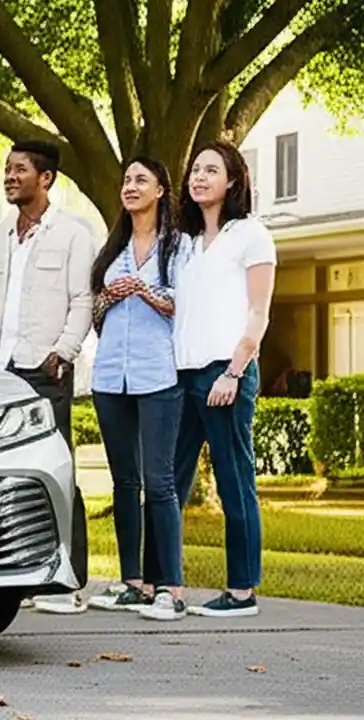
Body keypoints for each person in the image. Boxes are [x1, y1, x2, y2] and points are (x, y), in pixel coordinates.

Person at [0, 139, 96, 614]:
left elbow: (82, 299)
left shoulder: (72, 233)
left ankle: (71, 582)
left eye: (19, 169)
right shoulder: (4, 231)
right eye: (6, 169)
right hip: (3, 369)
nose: (8, 176)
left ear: (45, 179)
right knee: (7, 474)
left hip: (45, 369)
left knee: (58, 471)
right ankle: (20, 574)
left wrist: (62, 351)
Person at [171, 140, 275, 617]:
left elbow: (258, 311)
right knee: (169, 480)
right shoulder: (187, 244)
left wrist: (234, 370)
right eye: (195, 170)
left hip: (225, 373)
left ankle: (241, 591)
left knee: (235, 480)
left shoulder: (250, 234)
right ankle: (162, 585)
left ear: (233, 180)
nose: (199, 177)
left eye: (211, 170)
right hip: (184, 375)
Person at [86, 156, 188, 621]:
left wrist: (146, 293)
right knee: (124, 482)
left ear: (161, 190)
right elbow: (97, 315)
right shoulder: (114, 247)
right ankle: (133, 583)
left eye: (140, 180)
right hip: (110, 376)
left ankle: (170, 587)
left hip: (158, 375)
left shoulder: (179, 247)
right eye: (126, 179)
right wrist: (110, 295)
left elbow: (185, 309)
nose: (130, 186)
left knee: (160, 482)